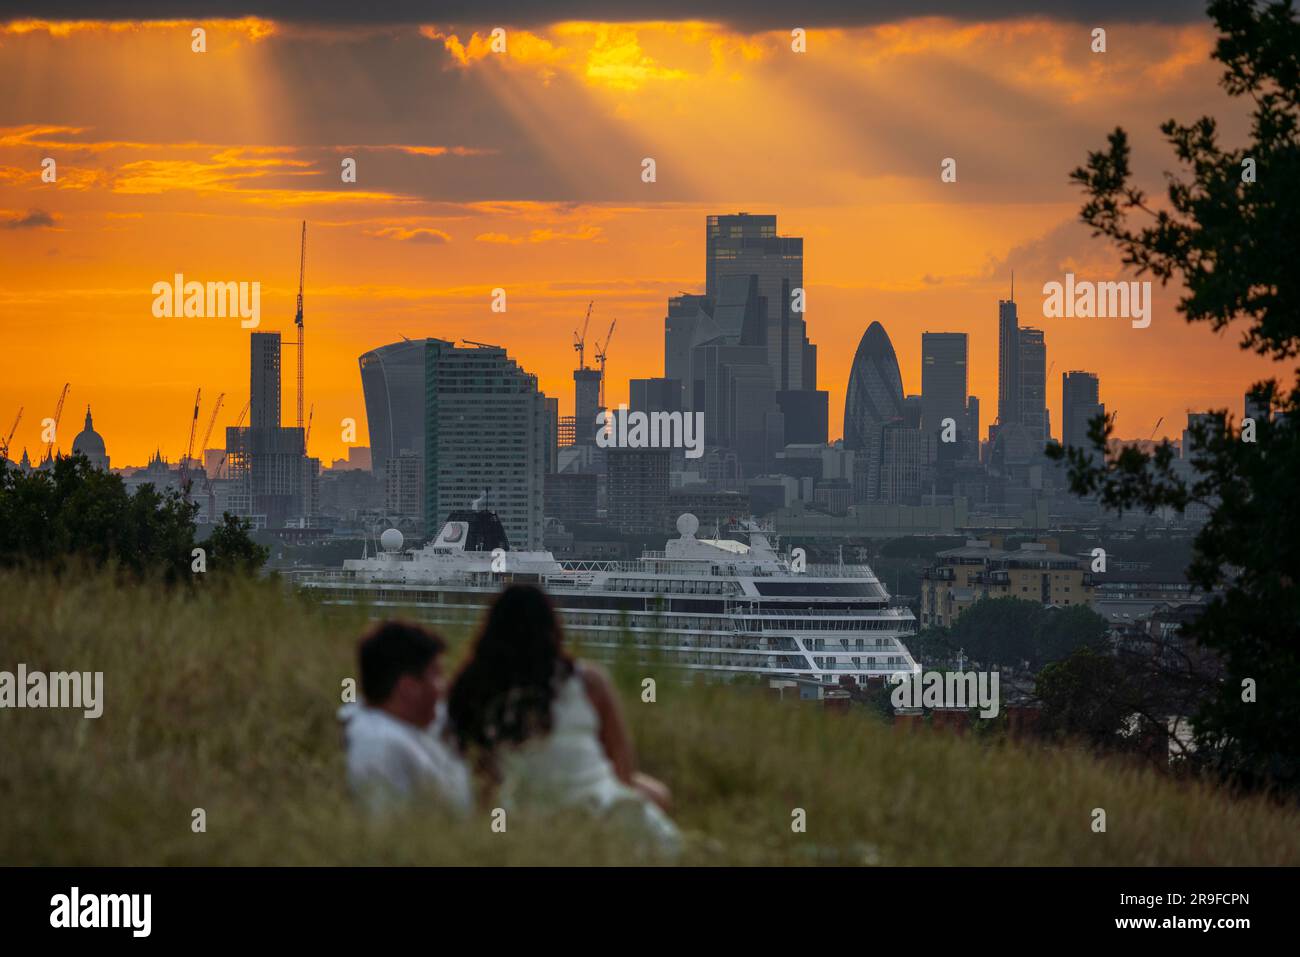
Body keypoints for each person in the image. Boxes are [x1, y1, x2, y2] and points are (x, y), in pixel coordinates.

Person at [447, 584, 680, 854]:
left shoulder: (472, 689)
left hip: (523, 816)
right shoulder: (587, 681)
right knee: (656, 795)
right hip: (603, 811)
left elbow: (479, 774)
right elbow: (623, 767)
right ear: (553, 628)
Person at [340, 620, 472, 817]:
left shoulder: (406, 724)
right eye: (436, 676)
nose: (443, 687)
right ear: (408, 688)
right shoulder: (380, 747)